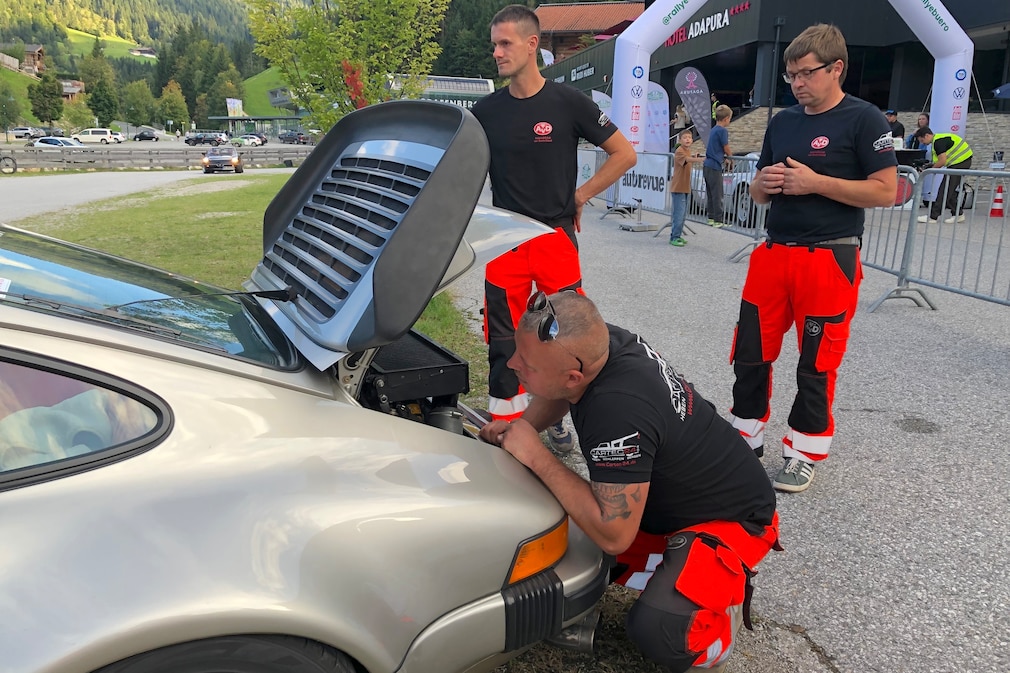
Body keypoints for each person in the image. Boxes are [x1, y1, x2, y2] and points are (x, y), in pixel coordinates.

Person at [479, 291, 780, 673]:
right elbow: (562, 390)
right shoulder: (602, 344)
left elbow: (614, 535)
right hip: (666, 504)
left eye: (527, 363)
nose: (513, 364)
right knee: (547, 533)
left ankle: (716, 619)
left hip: (733, 520)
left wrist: (536, 455)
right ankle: (669, 567)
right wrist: (522, 429)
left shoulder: (618, 410)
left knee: (660, 629)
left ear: (574, 374)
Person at [733, 23, 897, 492]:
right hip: (773, 254)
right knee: (749, 351)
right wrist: (761, 186)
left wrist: (817, 183)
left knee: (817, 360)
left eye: (806, 73)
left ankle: (803, 451)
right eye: (791, 76)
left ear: (836, 68)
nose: (798, 84)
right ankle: (744, 437)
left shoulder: (865, 119)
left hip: (829, 256)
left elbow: (887, 191)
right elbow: (760, 193)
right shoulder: (784, 121)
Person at [470, 5, 637, 450]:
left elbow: (624, 154)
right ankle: (506, 428)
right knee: (503, 340)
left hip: (554, 238)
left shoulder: (568, 102)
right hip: (506, 239)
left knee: (565, 338)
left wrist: (582, 195)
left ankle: (558, 417)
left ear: (531, 45)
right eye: (494, 45)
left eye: (505, 43)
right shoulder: (485, 111)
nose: (497, 52)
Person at [913, 126, 973, 224]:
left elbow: (942, 161)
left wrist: (929, 170)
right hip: (961, 161)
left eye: (922, 140)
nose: (922, 143)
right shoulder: (938, 140)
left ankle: (933, 217)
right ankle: (958, 214)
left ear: (927, 135)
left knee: (944, 189)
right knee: (949, 190)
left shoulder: (938, 142)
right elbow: (939, 161)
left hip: (960, 162)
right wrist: (930, 166)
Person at [668, 129, 704, 247]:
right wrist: (698, 159)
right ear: (680, 140)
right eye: (685, 138)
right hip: (678, 187)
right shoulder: (679, 150)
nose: (687, 139)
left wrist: (694, 156)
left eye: (689, 137)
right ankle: (674, 237)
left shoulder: (687, 151)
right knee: (679, 214)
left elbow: (688, 158)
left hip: (685, 187)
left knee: (683, 214)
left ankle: (678, 235)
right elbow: (686, 160)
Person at [703, 105, 733, 228]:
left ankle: (711, 217)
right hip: (715, 165)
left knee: (710, 193)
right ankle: (718, 220)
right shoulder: (722, 131)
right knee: (718, 194)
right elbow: (726, 147)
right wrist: (730, 157)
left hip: (707, 164)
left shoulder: (713, 129)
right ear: (726, 118)